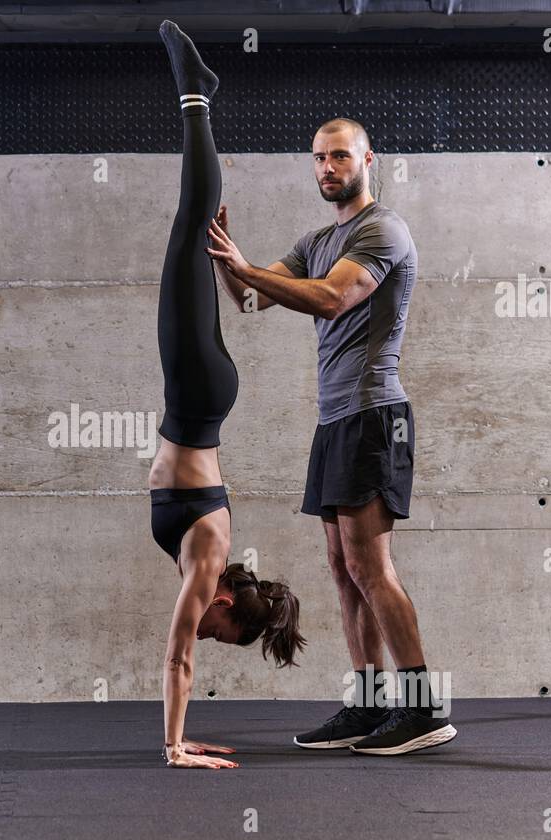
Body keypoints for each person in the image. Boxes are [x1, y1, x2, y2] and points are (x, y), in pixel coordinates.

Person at [206, 117, 457, 756]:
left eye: (339, 156)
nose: (326, 168)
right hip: (335, 421)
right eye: (318, 159)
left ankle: (423, 708)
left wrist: (247, 269)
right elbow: (251, 300)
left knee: (371, 566)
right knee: (344, 571)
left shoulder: (382, 231)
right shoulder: (319, 239)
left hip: (375, 414)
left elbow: (325, 299)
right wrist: (223, 258)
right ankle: (370, 706)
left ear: (367, 159)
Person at [150, 21, 305, 770]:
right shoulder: (208, 559)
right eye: (222, 632)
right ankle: (194, 93)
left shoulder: (209, 564)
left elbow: (188, 651)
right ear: (223, 607)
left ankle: (199, 96)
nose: (208, 636)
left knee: (198, 234)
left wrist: (185, 735)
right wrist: (175, 747)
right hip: (196, 390)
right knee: (189, 230)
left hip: (201, 394)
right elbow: (179, 656)